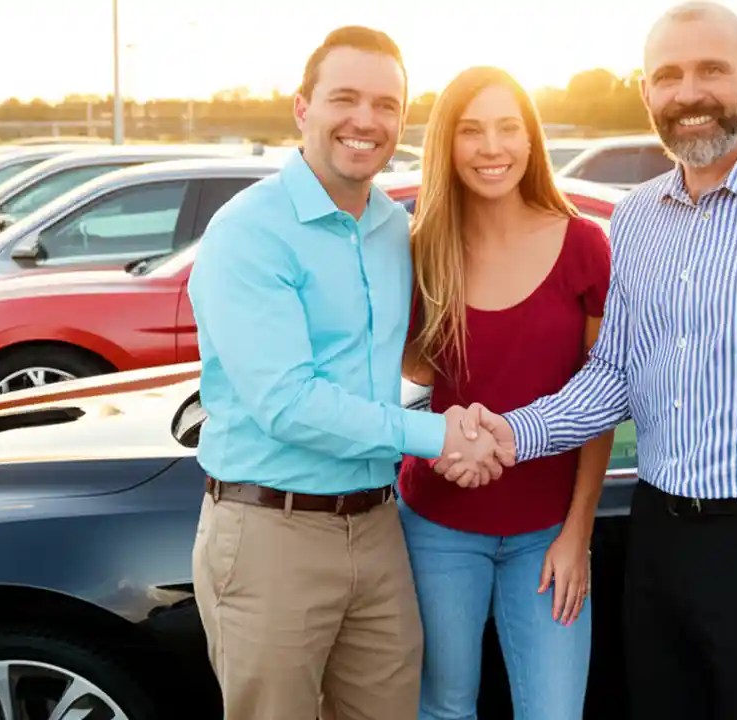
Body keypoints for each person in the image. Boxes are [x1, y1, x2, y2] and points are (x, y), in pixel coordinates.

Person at [438, 2, 737, 718]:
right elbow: (612, 376)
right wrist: (511, 432)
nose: (689, 93)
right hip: (659, 542)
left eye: (711, 71)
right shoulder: (636, 217)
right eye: (669, 75)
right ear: (646, 92)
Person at [187, 26, 508, 720]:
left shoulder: (395, 230)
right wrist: (441, 438)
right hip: (271, 529)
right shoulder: (250, 230)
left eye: (386, 105)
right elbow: (289, 403)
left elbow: (430, 355)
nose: (367, 121)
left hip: (378, 528)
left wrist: (488, 423)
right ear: (303, 107)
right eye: (346, 98)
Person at [397, 66, 614, 720]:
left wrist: (578, 533)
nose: (492, 147)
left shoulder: (583, 245)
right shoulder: (422, 248)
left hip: (547, 534)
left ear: (530, 140)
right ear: (447, 145)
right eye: (471, 131)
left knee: (552, 711)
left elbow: (599, 401)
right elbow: (416, 375)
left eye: (507, 128)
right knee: (444, 709)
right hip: (436, 526)